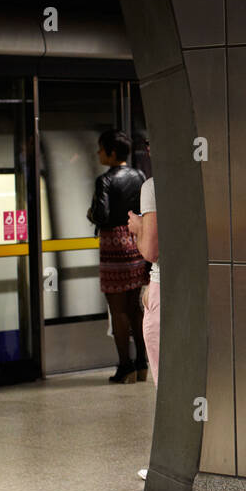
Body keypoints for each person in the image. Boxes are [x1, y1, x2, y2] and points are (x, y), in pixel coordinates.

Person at [88, 129, 149, 383]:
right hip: (136, 240)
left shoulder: (104, 180)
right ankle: (142, 363)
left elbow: (101, 215)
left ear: (112, 153)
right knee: (136, 307)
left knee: (118, 308)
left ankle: (125, 366)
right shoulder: (139, 175)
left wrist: (91, 213)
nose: (98, 153)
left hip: (114, 245)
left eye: (101, 149)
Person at [127, 171, 159, 386]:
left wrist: (139, 229)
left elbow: (151, 251)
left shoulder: (153, 187)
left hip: (165, 288)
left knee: (168, 383)